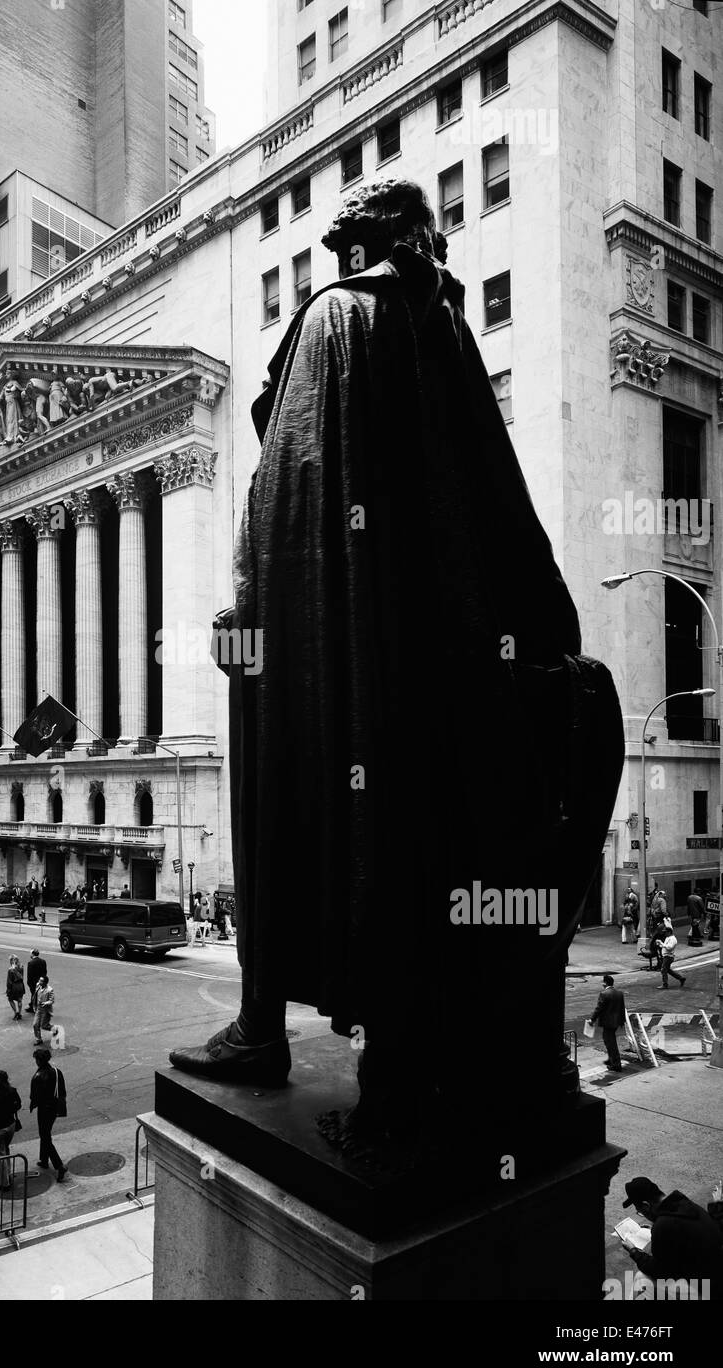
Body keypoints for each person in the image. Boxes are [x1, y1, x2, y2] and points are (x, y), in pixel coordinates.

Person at [168, 177, 624, 1155]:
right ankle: (390, 1065)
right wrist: (538, 624)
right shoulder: (438, 328)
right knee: (404, 833)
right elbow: (498, 503)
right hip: (420, 659)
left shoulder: (337, 322)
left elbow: (282, 494)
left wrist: (249, 624)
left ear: (351, 250)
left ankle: (292, 1043)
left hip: (322, 657)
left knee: (293, 817)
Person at [620, 1176, 723, 1291]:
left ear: (646, 1206)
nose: (642, 1214)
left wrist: (634, 1251)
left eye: (640, 1211)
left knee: (641, 1278)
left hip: (709, 1288)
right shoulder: (684, 1204)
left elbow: (661, 1272)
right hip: (717, 1271)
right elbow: (681, 1230)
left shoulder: (663, 1225)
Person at [29, 1046, 68, 1181]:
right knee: (45, 1133)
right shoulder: (57, 1071)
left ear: (39, 1061)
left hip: (44, 1109)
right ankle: (44, 1160)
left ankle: (59, 1165)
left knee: (45, 1136)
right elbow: (62, 1090)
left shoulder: (38, 1076)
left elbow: (34, 1096)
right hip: (54, 1108)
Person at [589, 974, 625, 1073]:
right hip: (616, 1022)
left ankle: (616, 1064)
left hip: (608, 1022)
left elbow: (599, 1009)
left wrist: (592, 1019)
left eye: (603, 982)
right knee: (609, 1041)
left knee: (610, 1043)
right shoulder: (619, 993)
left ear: (605, 983)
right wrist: (622, 1021)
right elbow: (622, 1009)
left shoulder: (604, 994)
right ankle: (611, 1060)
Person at [25, 949, 48, 1014]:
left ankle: (33, 1007)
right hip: (41, 981)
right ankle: (33, 1005)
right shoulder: (43, 961)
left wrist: (29, 983)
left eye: (30, 953)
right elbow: (45, 972)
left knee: (34, 994)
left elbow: (29, 975)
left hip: (33, 982)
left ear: (32, 954)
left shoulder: (30, 963)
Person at [34, 976, 54, 1041]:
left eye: (41, 981)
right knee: (35, 1024)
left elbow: (52, 1000)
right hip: (38, 1008)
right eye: (39, 980)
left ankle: (54, 1029)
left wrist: (46, 1003)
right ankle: (38, 1039)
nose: (39, 982)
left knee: (44, 1026)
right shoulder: (38, 985)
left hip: (45, 1010)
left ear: (45, 982)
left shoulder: (50, 990)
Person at [6, 955, 25, 1020]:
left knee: (10, 999)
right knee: (19, 1000)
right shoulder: (21, 967)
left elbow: (9, 981)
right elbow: (22, 977)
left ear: (12, 960)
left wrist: (8, 989)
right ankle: (19, 1013)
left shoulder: (10, 969)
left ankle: (15, 1012)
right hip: (20, 985)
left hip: (14, 986)